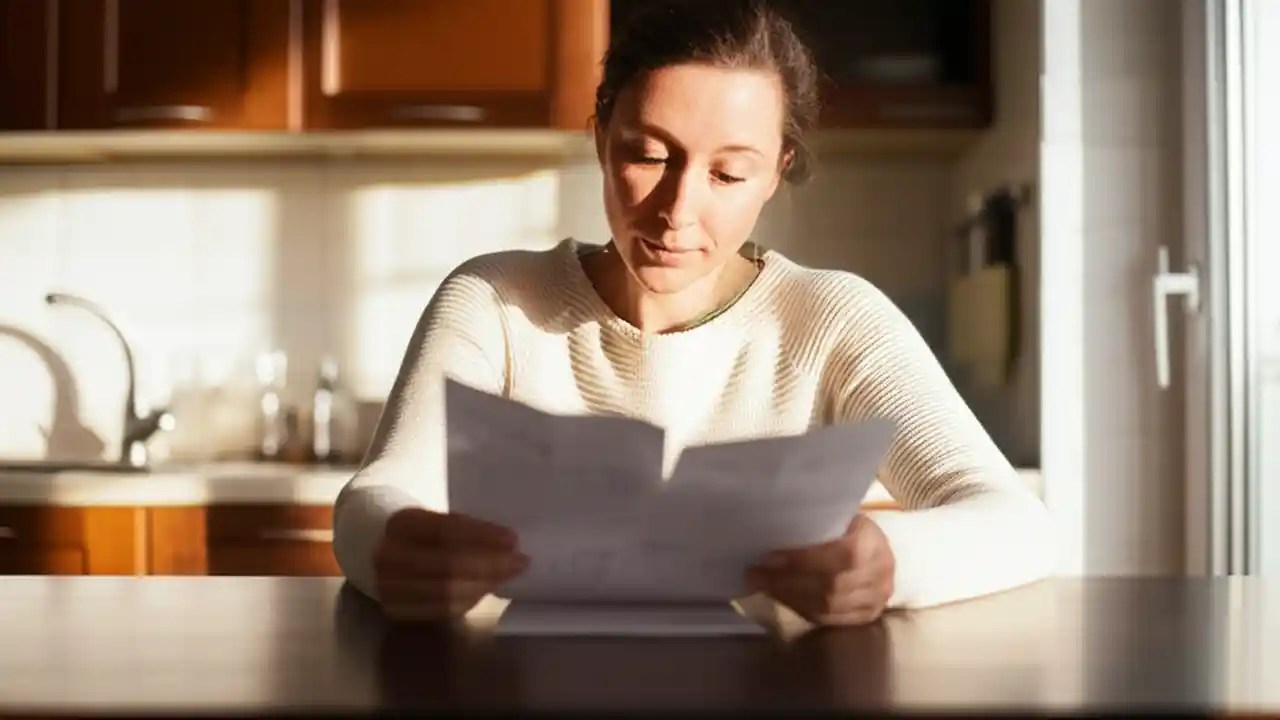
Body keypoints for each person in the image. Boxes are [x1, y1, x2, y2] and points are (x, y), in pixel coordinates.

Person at [332, 0, 1054, 627]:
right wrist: (394, 543)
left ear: (776, 170)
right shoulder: (494, 301)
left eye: (728, 173)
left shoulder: (831, 318)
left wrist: (890, 560)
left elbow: (1017, 522)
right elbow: (376, 493)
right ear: (599, 139)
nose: (677, 211)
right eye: (648, 155)